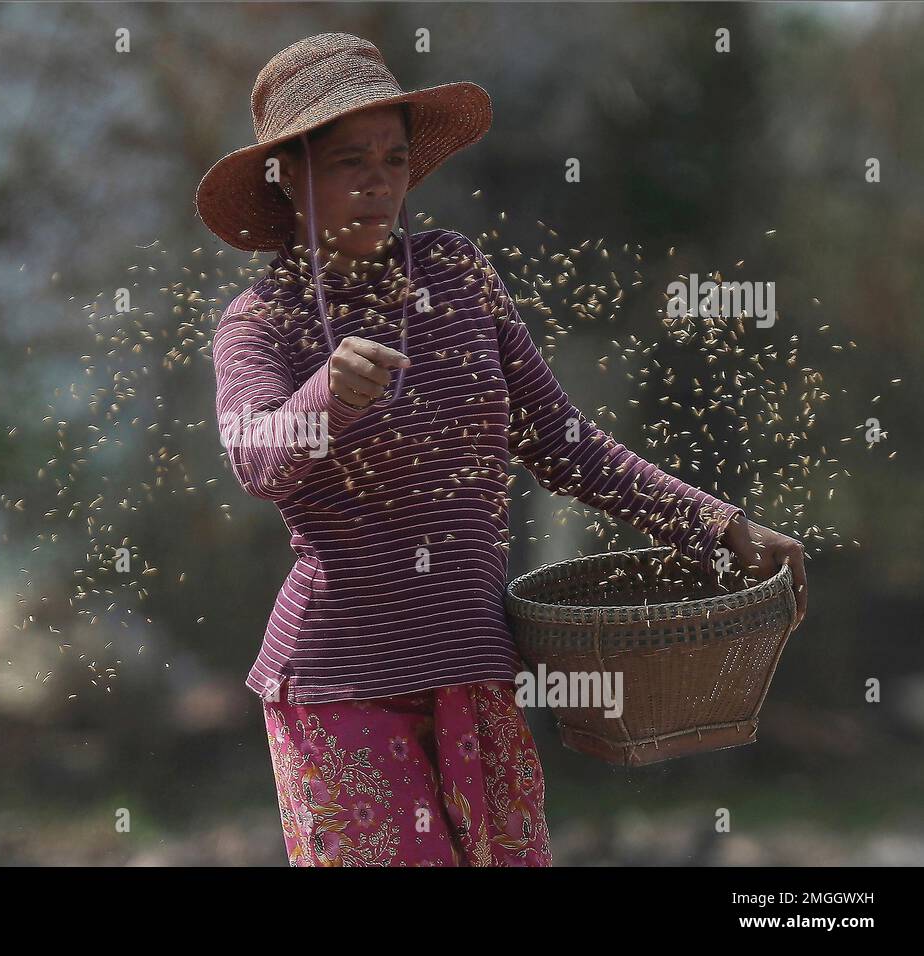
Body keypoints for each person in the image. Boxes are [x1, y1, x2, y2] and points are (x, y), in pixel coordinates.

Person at [195, 33, 807, 867]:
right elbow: (255, 456)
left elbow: (561, 441)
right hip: (343, 686)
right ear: (288, 179)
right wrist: (326, 397)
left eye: (394, 158)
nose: (378, 182)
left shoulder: (456, 274)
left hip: (475, 666)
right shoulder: (261, 322)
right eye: (347, 162)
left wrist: (715, 524)